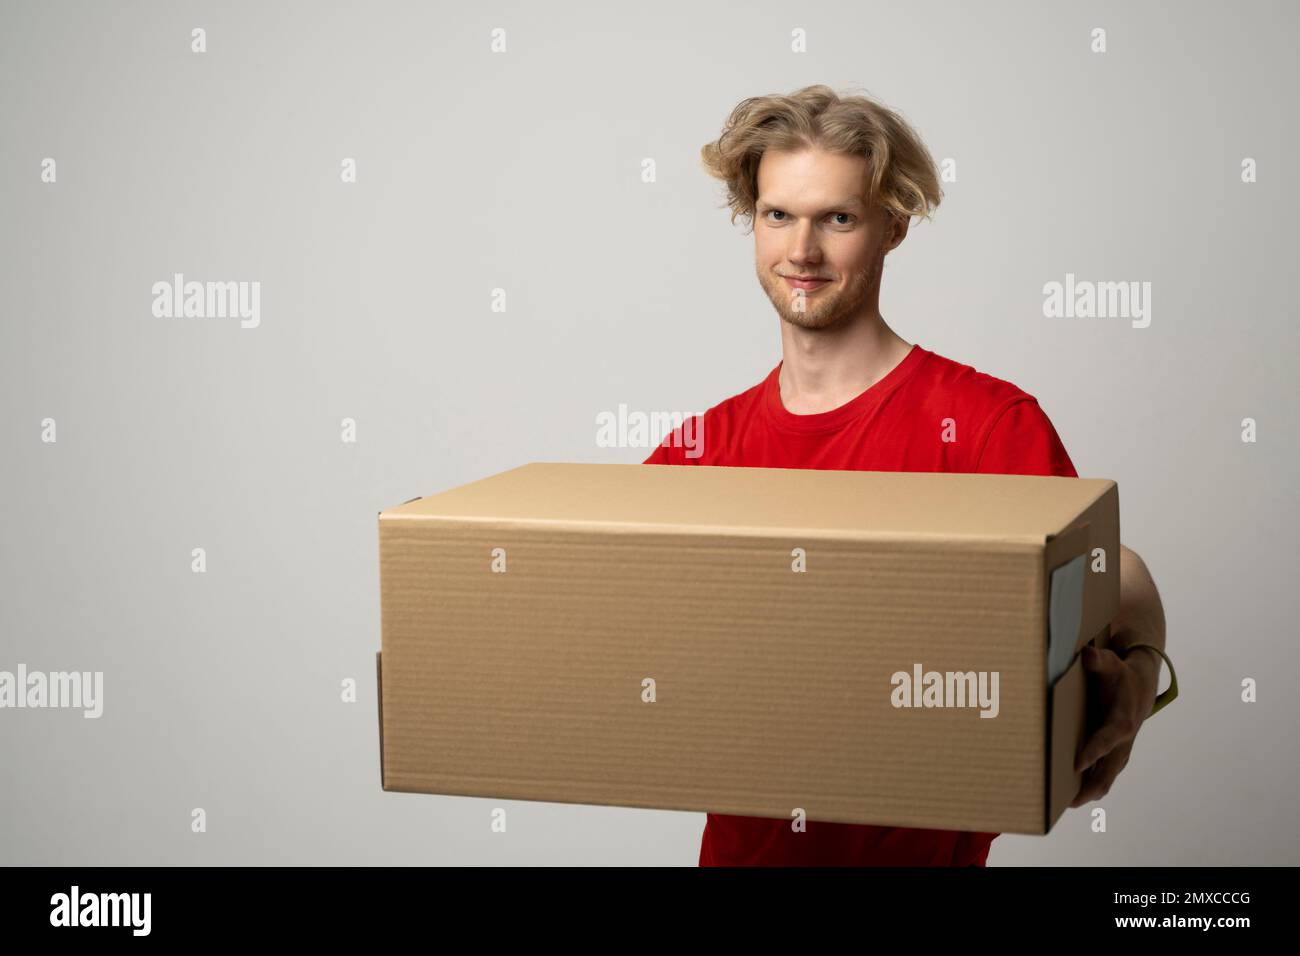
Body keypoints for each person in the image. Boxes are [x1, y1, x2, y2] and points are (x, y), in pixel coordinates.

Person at [643, 85, 1170, 867]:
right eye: (778, 215)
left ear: (892, 226)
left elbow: (1105, 564)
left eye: (838, 219)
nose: (802, 250)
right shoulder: (702, 447)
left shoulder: (983, 421)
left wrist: (1139, 666)